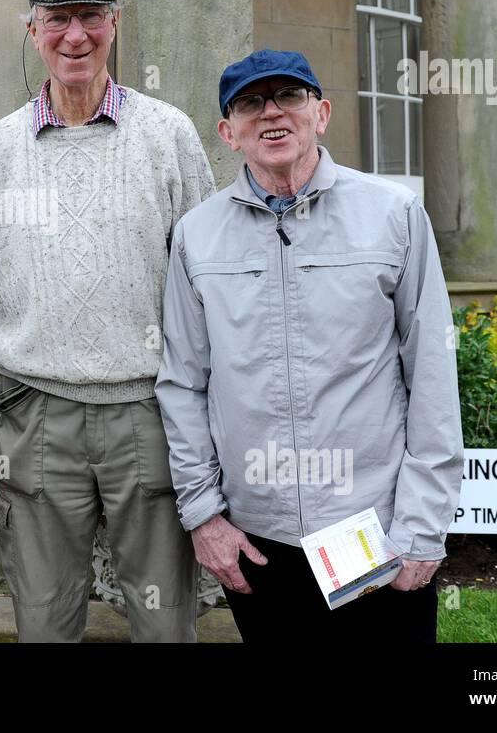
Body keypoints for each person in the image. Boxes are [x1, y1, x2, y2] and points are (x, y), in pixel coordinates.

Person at [155, 48, 463, 642]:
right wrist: (205, 517)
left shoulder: (393, 214)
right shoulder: (197, 235)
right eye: (250, 103)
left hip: (371, 527)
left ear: (320, 113)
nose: (271, 114)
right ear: (227, 131)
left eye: (288, 97)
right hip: (258, 537)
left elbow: (431, 374)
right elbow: (183, 382)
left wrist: (422, 527)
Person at [0, 0, 215, 642]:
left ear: (115, 24)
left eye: (91, 18)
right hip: (34, 416)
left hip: (149, 411)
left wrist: (215, 412)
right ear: (33, 30)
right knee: (44, 621)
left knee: (164, 622)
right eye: (58, 20)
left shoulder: (169, 135)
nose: (76, 35)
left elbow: (208, 281)